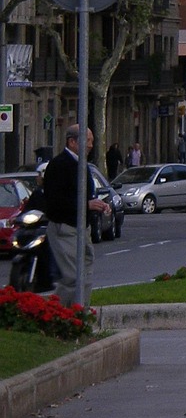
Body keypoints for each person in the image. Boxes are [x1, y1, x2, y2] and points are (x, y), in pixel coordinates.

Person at [42, 125, 110, 307]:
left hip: (82, 228)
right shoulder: (59, 165)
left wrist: (98, 205)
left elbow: (83, 197)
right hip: (65, 228)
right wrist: (86, 205)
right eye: (87, 141)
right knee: (72, 277)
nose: (91, 146)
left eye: (92, 141)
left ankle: (80, 314)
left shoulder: (83, 165)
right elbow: (55, 201)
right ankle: (55, 313)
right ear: (72, 142)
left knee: (85, 274)